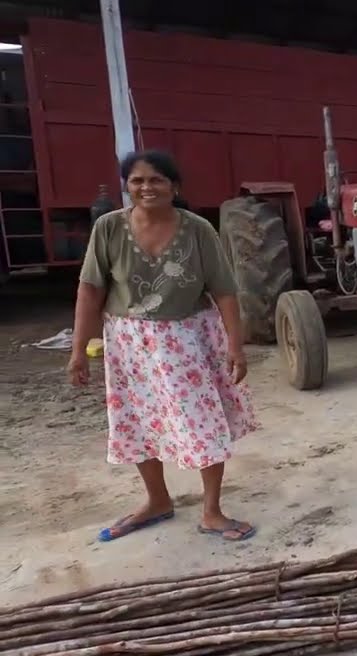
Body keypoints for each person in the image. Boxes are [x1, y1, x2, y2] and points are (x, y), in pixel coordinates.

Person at [67, 149, 260, 543]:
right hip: (128, 343)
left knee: (203, 421)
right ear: (127, 186)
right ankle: (157, 501)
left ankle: (212, 510)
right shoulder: (108, 227)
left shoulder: (198, 230)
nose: (146, 187)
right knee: (136, 421)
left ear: (174, 186)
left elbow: (224, 291)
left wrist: (235, 346)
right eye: (137, 180)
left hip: (188, 339)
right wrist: (78, 350)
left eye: (156, 179)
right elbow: (90, 290)